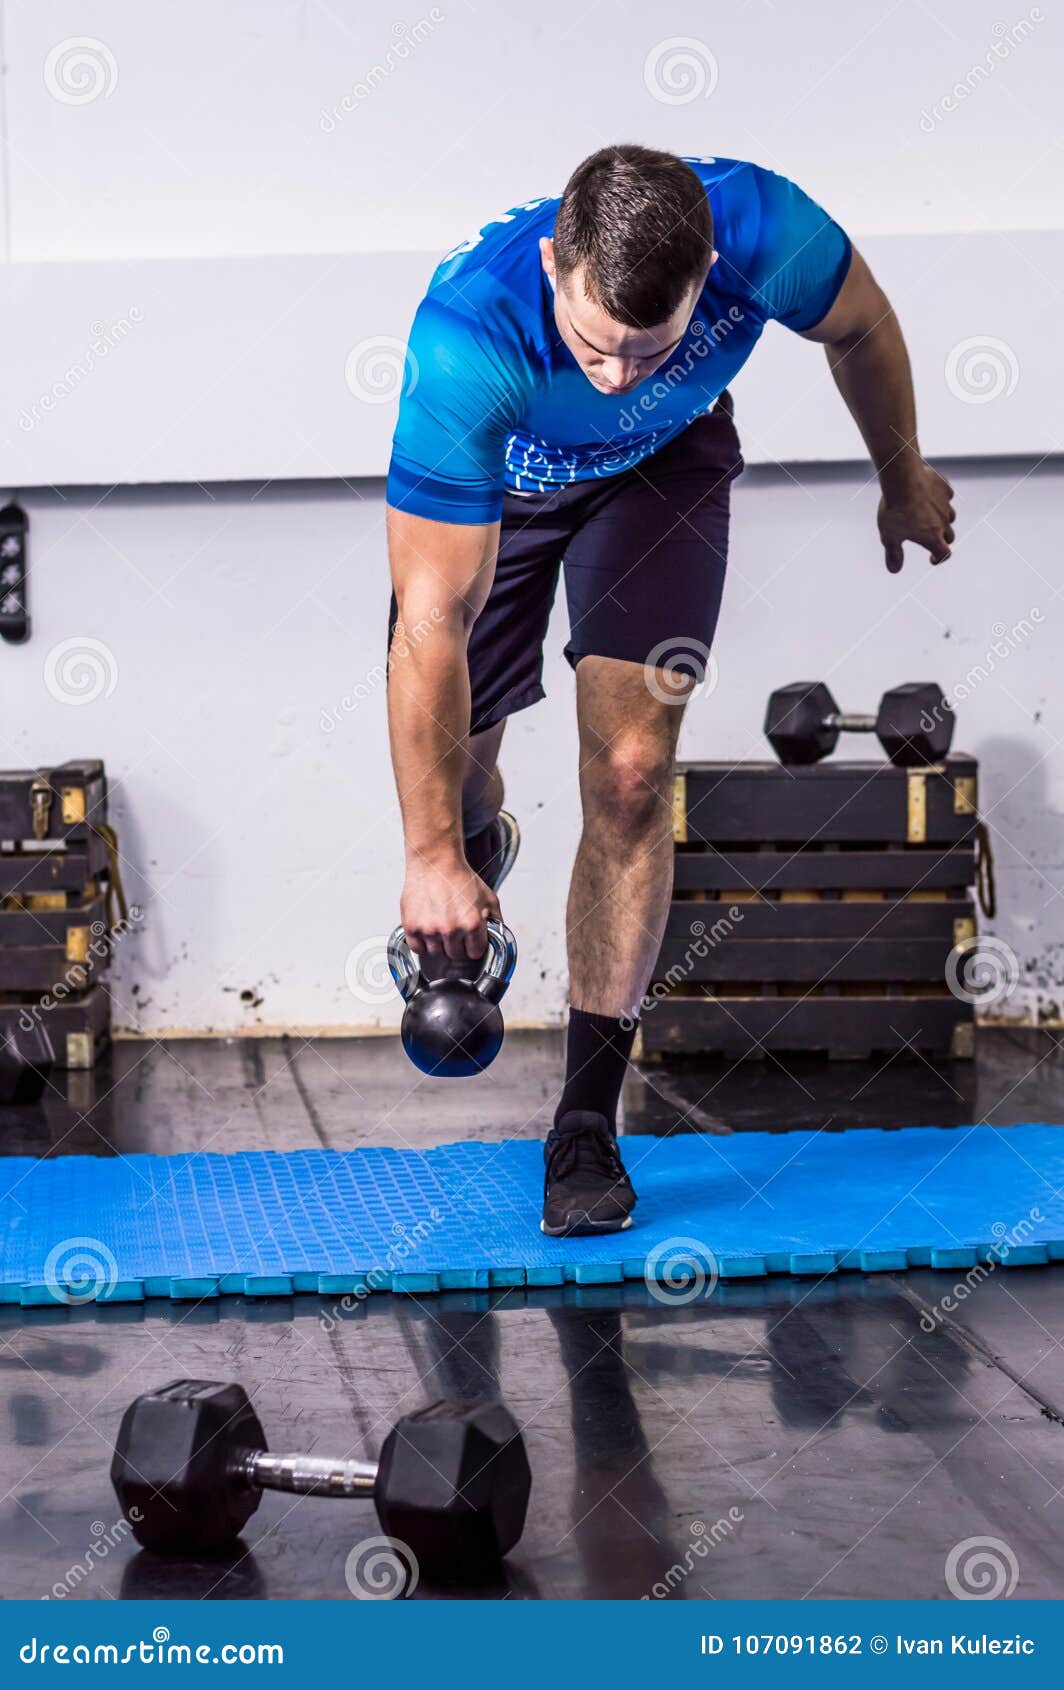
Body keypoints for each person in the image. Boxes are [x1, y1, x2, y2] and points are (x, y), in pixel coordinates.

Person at [385, 145, 955, 1238]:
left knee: (634, 774)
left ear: (706, 276)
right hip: (499, 490)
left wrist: (899, 475)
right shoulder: (468, 335)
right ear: (555, 263)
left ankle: (585, 1125)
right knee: (454, 789)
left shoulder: (766, 232)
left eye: (646, 352)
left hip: (662, 474)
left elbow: (862, 329)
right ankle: (469, 841)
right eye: (594, 346)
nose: (612, 377)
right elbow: (430, 622)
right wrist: (426, 861)